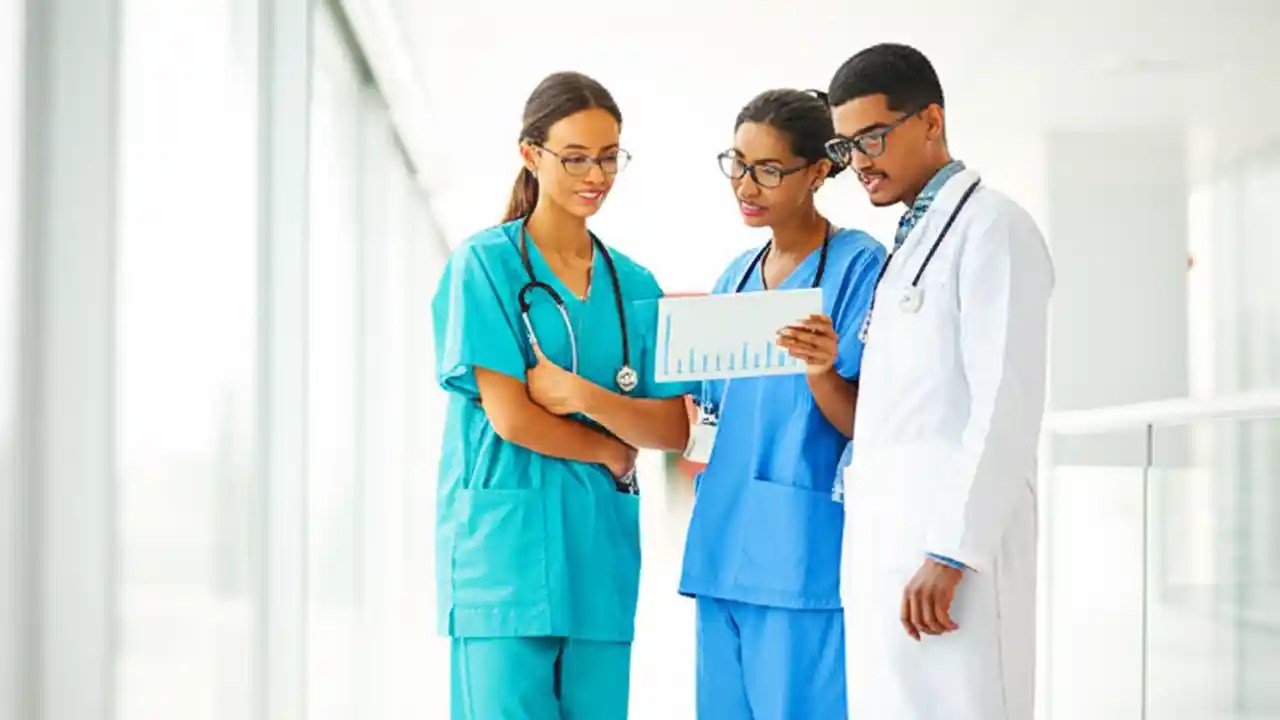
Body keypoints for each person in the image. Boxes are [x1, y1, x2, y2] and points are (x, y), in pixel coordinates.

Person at [430, 71, 693, 720]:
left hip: (597, 555)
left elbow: (673, 429)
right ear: (531, 154)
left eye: (609, 157)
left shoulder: (634, 283)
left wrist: (579, 394)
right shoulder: (485, 265)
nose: (595, 175)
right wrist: (606, 449)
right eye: (575, 157)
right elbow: (512, 415)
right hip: (504, 557)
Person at [824, 43, 1054, 720]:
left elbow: (1006, 404)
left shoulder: (993, 228)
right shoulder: (910, 244)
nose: (860, 161)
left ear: (931, 120)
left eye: (873, 137)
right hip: (891, 550)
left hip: (950, 558)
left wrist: (953, 549)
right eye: (846, 147)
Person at [677, 88, 887, 720]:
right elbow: (707, 418)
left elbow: (865, 423)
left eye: (769, 170)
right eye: (737, 163)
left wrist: (822, 370)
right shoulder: (733, 278)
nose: (746, 184)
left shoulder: (858, 266)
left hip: (800, 553)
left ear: (819, 171)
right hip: (721, 548)